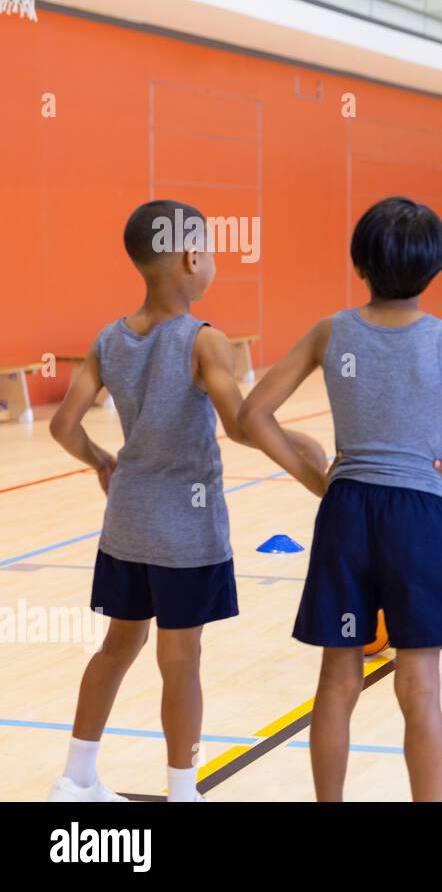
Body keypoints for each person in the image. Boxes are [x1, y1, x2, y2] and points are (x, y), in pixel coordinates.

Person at [238, 197, 442, 800]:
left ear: (360, 263)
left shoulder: (330, 331)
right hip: (422, 518)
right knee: (419, 687)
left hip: (348, 513)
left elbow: (252, 416)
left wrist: (316, 477)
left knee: (337, 681)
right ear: (437, 266)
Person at [48, 200, 322, 802]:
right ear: (193, 257)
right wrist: (310, 459)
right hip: (185, 530)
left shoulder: (108, 340)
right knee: (182, 661)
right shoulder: (205, 341)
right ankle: (182, 790)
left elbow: (64, 426)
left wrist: (103, 462)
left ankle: (76, 778)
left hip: (126, 523)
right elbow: (243, 425)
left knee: (117, 646)